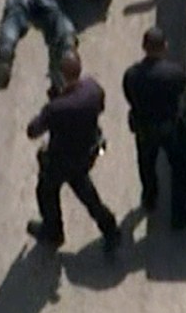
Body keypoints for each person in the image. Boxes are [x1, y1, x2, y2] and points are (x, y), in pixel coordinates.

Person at [25, 51, 121, 253]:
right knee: (88, 195)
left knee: (46, 192)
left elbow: (33, 130)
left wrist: (54, 101)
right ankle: (110, 228)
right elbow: (99, 107)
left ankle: (53, 231)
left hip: (60, 160)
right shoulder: (93, 89)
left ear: (61, 75)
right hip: (85, 153)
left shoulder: (56, 108)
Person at [122, 27, 186, 230]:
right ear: (165, 47)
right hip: (170, 128)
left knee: (146, 163)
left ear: (144, 47)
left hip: (144, 127)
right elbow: (181, 93)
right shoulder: (174, 73)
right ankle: (178, 215)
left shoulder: (131, 75)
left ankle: (149, 197)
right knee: (179, 169)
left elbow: (130, 97)